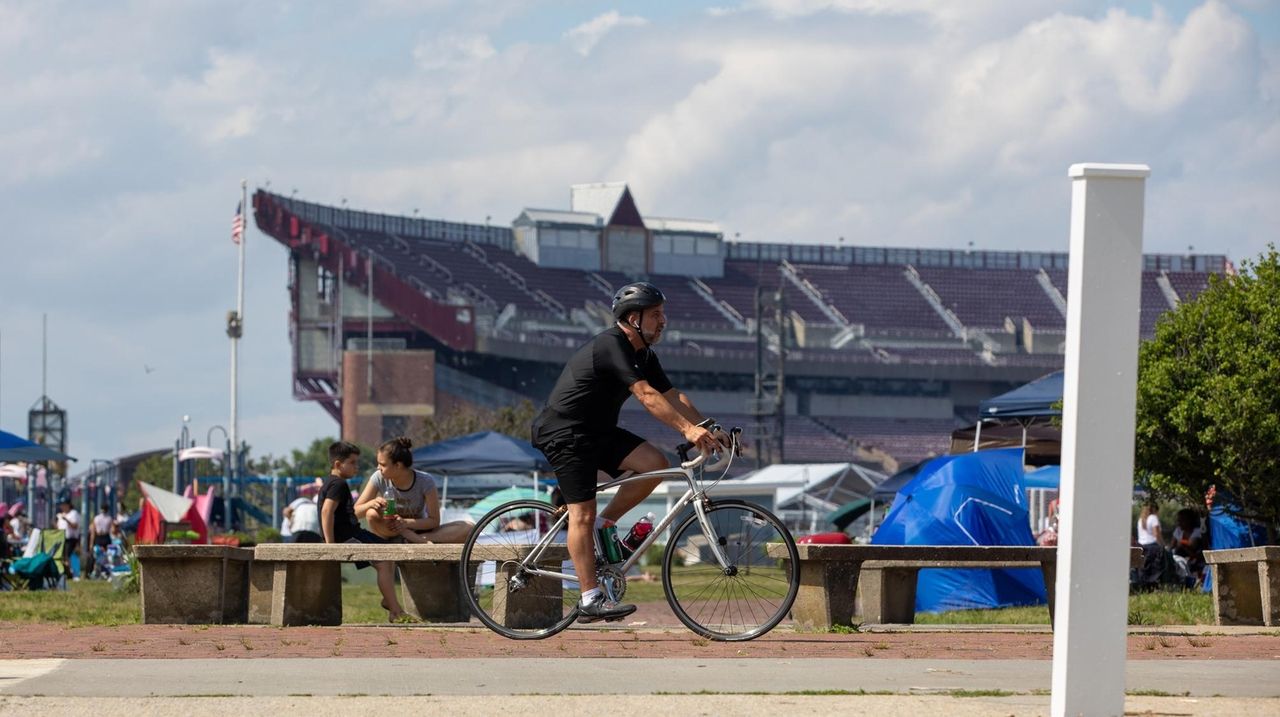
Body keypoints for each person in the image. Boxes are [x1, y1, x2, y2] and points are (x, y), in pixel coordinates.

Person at [530, 281, 723, 623]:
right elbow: (647, 395)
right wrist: (687, 430)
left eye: (663, 314)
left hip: (597, 432)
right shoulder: (611, 344)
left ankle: (607, 525)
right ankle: (589, 598)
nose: (663, 321)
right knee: (582, 515)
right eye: (656, 314)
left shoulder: (644, 353)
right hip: (564, 433)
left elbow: (672, 394)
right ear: (634, 318)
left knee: (654, 464)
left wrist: (708, 424)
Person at [319, 441, 406, 622]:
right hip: (347, 537)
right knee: (383, 561)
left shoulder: (332, 482)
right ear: (337, 464)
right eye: (352, 463)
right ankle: (396, 611)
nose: (356, 467)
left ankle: (388, 600)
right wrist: (330, 544)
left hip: (354, 533)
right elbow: (327, 511)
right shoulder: (338, 485)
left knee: (388, 552)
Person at [356, 437, 473, 544]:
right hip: (391, 532)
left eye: (382, 464)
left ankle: (415, 539)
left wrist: (405, 523)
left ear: (398, 465)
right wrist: (370, 504)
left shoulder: (425, 481)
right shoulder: (378, 477)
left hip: (421, 531)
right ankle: (406, 539)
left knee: (469, 528)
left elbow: (434, 521)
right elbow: (355, 512)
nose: (378, 468)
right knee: (371, 514)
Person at [1169, 508, 1205, 587]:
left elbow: (1193, 545)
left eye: (1181, 520)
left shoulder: (1197, 531)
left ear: (1189, 521)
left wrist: (1182, 543)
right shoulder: (1178, 530)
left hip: (1194, 557)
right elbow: (1171, 546)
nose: (1179, 523)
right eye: (1178, 521)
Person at [1136, 499, 1164, 589]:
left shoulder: (1141, 520)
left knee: (1143, 568)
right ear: (1154, 509)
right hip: (1152, 547)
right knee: (1155, 570)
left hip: (1141, 547)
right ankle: (1153, 587)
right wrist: (1163, 545)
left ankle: (1143, 587)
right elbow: (1157, 534)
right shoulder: (1153, 518)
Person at [55, 499, 81, 579]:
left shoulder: (73, 514)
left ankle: (71, 573)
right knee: (62, 557)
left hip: (71, 539)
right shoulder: (61, 514)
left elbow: (75, 526)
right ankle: (65, 572)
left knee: (68, 556)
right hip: (61, 538)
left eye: (63, 505)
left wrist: (66, 519)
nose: (62, 507)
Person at [89, 506, 114, 577]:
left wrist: (91, 543)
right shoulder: (109, 518)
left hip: (99, 537)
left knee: (97, 555)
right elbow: (111, 530)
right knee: (107, 555)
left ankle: (95, 571)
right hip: (105, 537)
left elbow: (93, 532)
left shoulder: (96, 518)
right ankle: (105, 571)